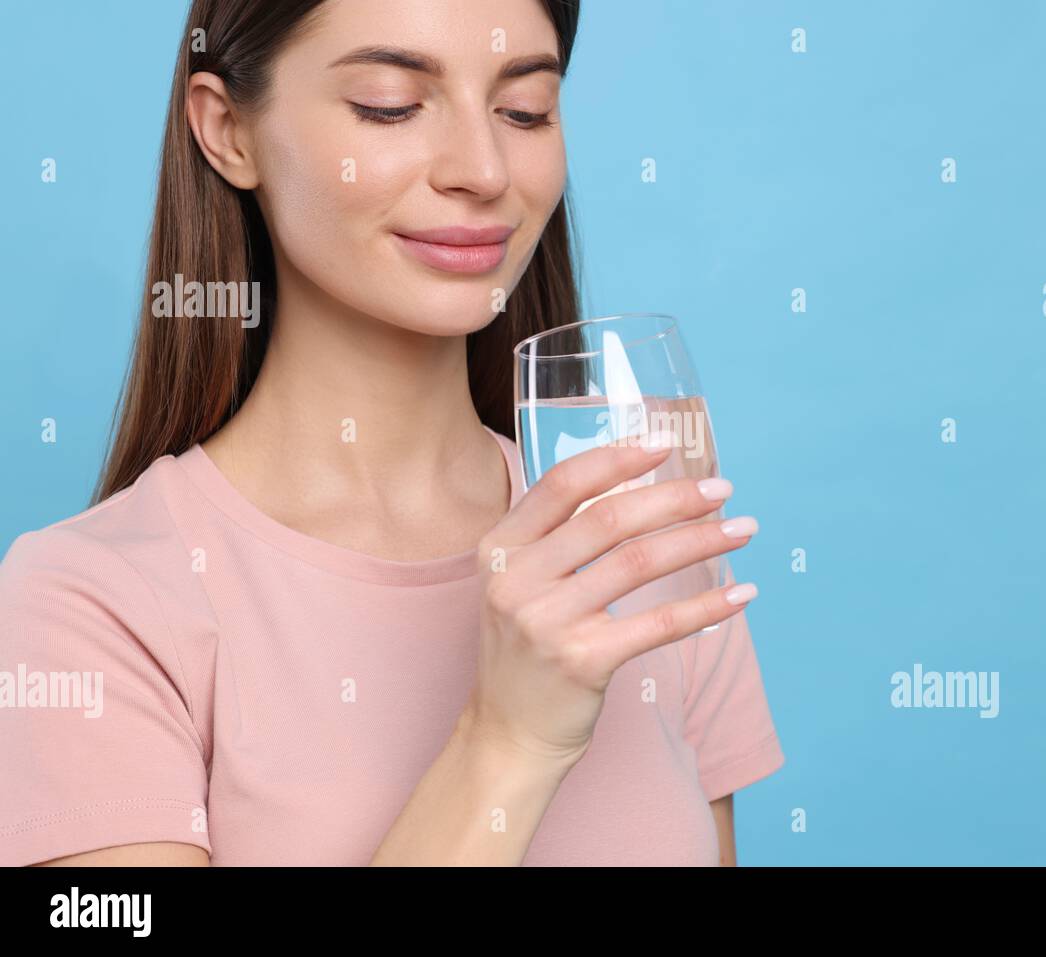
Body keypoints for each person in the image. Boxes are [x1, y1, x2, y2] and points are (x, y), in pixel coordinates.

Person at [0, 0, 783, 866]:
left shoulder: (633, 534)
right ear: (228, 131)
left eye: (524, 110)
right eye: (390, 105)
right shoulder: (84, 605)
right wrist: (509, 741)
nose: (484, 169)